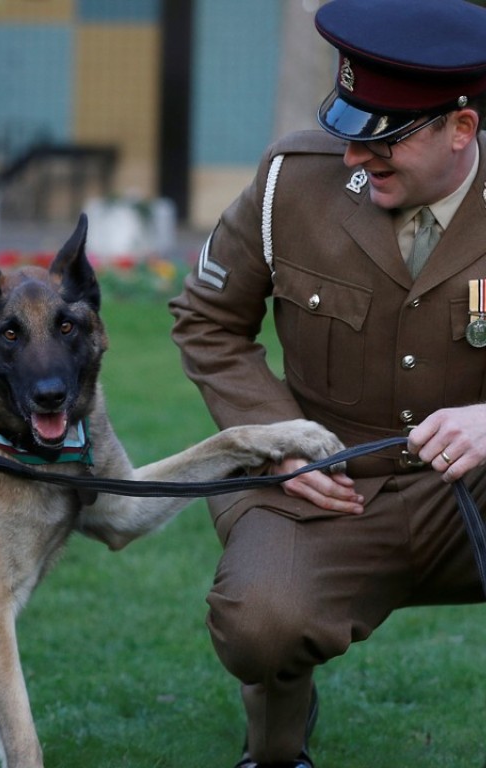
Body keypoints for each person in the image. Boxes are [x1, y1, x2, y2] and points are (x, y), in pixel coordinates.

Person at [169, 0, 486, 766]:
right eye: (348, 133)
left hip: (475, 486)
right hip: (324, 482)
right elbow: (208, 320)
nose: (353, 159)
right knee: (262, 622)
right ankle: (276, 741)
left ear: (461, 129)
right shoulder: (292, 184)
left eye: (383, 141)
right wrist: (282, 445)